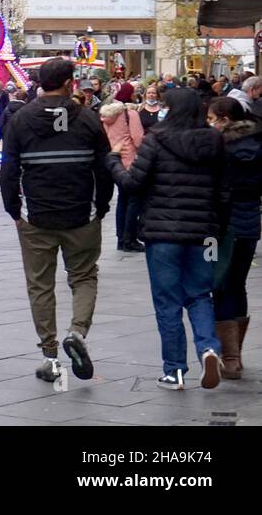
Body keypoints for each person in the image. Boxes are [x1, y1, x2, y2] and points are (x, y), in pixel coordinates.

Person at [0, 56, 112, 384]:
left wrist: (12, 209)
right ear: (68, 83)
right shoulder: (88, 119)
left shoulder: (20, 120)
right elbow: (103, 168)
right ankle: (77, 332)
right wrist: (101, 206)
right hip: (81, 215)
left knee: (40, 285)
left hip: (36, 216)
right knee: (84, 277)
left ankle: (49, 356)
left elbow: (9, 171)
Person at [105, 88, 225, 391]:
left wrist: (113, 162)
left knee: (167, 301)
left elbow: (134, 184)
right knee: (200, 294)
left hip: (162, 234)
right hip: (203, 234)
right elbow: (225, 192)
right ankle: (209, 349)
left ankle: (174, 371)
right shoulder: (214, 140)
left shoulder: (156, 139)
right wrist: (216, 230)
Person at [207, 98, 262, 380]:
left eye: (212, 118)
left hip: (220, 227)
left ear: (225, 119)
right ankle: (234, 356)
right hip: (249, 223)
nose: (210, 123)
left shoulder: (220, 149)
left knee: (217, 284)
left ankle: (228, 358)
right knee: (237, 284)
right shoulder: (257, 143)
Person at [99, 100, 145, 253]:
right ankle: (129, 238)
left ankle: (121, 238)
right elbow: (138, 139)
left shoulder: (106, 117)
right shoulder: (130, 114)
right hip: (131, 161)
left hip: (115, 161)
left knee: (122, 200)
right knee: (134, 200)